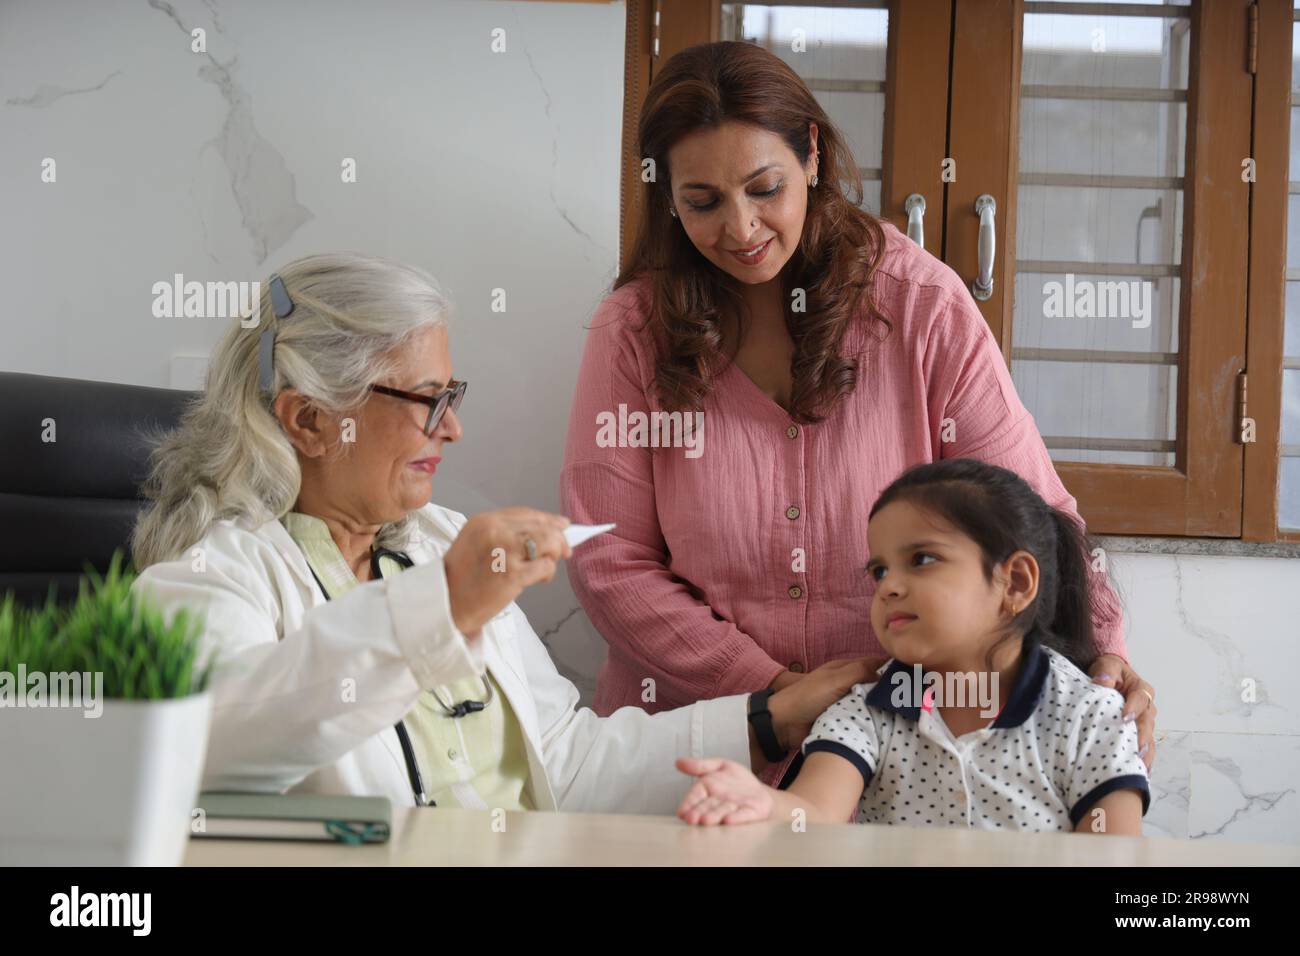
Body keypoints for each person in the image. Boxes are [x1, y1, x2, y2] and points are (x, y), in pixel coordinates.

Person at [560, 41, 1156, 788]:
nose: (741, 229)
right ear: (665, 198)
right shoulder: (632, 336)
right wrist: (774, 694)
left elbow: (1035, 515)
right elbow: (609, 561)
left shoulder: (919, 304)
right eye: (703, 202)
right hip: (691, 746)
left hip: (906, 755)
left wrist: (1106, 657)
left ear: (811, 154)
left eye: (764, 187)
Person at [129, 252, 871, 813]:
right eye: (428, 398)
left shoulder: (436, 539)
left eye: (452, 396)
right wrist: (446, 604)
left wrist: (774, 716)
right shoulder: (210, 579)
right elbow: (213, 750)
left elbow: (564, 761)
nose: (452, 428)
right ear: (312, 420)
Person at [675, 459, 1150, 835]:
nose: (888, 587)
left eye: (922, 559)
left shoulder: (1092, 716)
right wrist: (766, 804)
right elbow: (812, 812)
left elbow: (1110, 858)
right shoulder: (866, 710)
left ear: (1016, 582)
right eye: (879, 570)